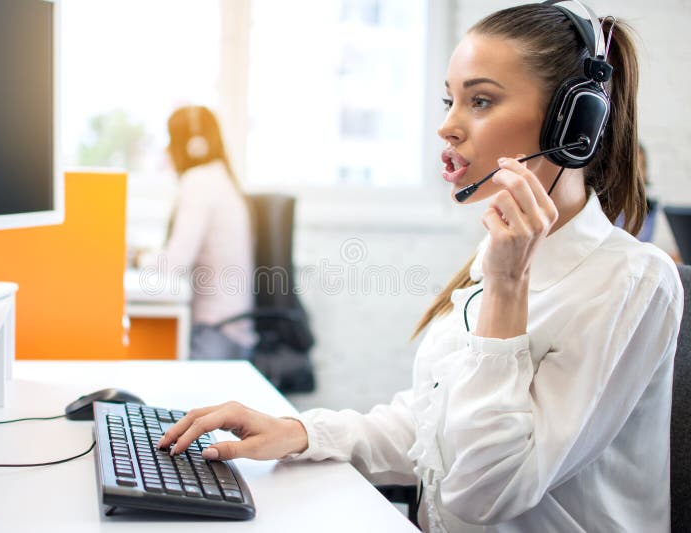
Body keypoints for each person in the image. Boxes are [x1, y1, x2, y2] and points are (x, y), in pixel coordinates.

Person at [157, 3, 683, 531]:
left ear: (573, 121)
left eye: (480, 100)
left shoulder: (632, 282)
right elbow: (432, 427)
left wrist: (505, 291)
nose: (448, 126)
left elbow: (484, 492)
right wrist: (300, 432)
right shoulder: (502, 255)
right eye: (449, 100)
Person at [156, 105, 255, 359]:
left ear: (191, 145)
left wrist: (138, 259)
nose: (168, 149)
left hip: (215, 334)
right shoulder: (222, 179)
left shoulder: (199, 182)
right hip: (236, 330)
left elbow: (173, 267)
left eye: (171, 140)